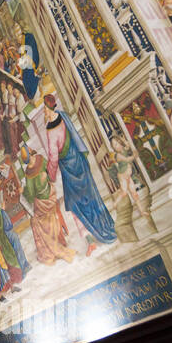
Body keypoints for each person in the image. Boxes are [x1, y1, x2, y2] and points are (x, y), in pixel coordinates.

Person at [36, 95, 116, 248]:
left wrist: (50, 175)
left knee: (74, 204)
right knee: (91, 195)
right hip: (78, 160)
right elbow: (74, 135)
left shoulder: (50, 131)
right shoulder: (63, 116)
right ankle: (105, 226)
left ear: (48, 109)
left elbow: (53, 156)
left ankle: (89, 239)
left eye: (44, 109)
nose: (44, 112)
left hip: (68, 169)